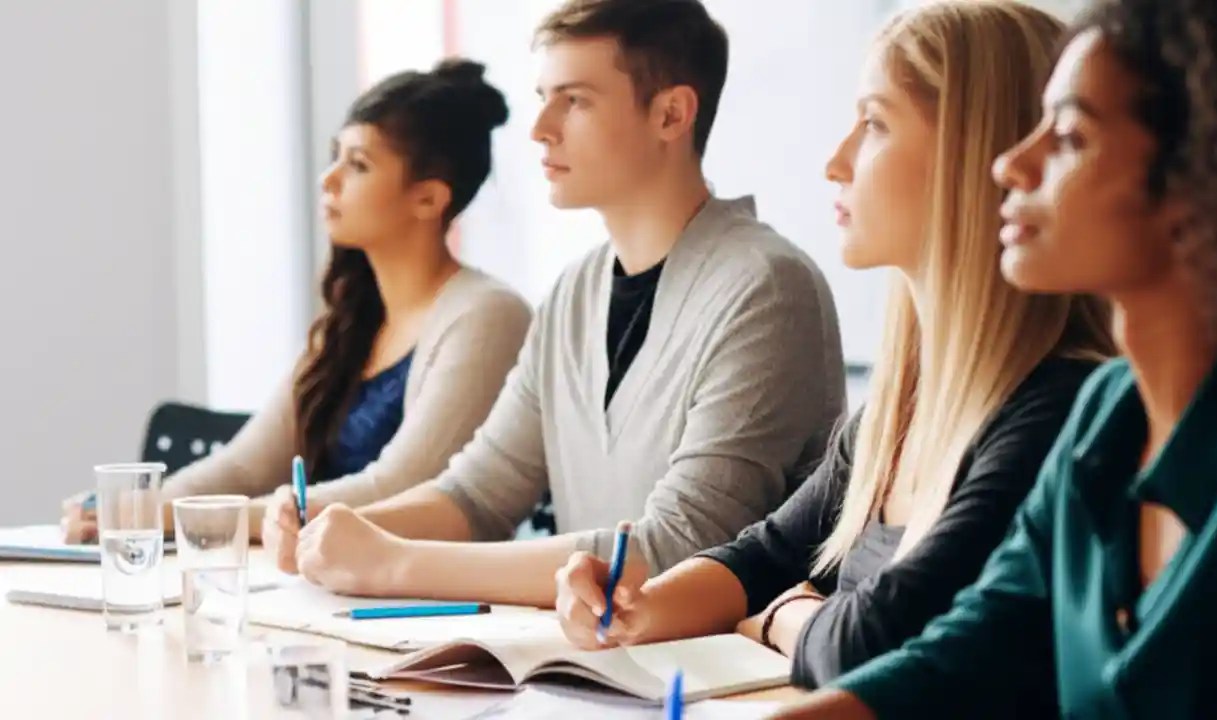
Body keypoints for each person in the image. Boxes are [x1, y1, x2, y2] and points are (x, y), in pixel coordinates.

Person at [552, 0, 1114, 696]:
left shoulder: (1059, 407)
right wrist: (641, 606)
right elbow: (767, 553)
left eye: (874, 124)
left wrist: (782, 618)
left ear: (974, 154)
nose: (835, 162)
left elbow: (874, 643)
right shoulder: (899, 408)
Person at [770, 0, 1217, 717]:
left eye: (1069, 136)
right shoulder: (1106, 415)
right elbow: (964, 652)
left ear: (1207, 175)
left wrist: (784, 624)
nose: (1010, 163)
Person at [262, 0, 847, 606]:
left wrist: (393, 563)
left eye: (574, 100)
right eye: (544, 95)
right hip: (593, 664)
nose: (541, 126)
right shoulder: (574, 291)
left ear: (671, 114)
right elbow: (479, 493)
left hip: (719, 686)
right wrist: (338, 529)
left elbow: (678, 547)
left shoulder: (767, 287)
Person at [60, 59, 531, 542]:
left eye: (359, 164)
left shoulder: (487, 315)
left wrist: (178, 518)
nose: (329, 179)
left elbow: (400, 487)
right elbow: (246, 466)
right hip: (322, 583)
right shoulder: (352, 322)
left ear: (429, 200)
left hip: (424, 606)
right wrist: (132, 509)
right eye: (336, 156)